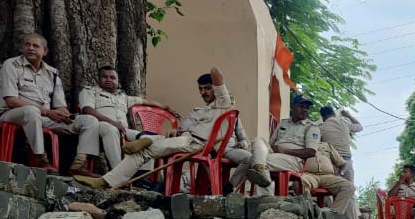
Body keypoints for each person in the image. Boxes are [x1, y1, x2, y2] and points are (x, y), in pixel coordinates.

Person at [76, 68, 278, 190]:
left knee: (149, 148)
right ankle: (108, 179)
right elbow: (181, 130)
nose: (204, 92)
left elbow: (217, 73)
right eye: (201, 89)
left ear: (217, 90)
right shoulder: (201, 110)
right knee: (145, 150)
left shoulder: (225, 103)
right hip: (188, 139)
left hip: (199, 144)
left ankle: (145, 146)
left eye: (208, 88)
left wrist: (217, 84)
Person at [0, 33, 103, 173]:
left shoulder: (51, 74)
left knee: (89, 120)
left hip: (44, 118)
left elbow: (60, 105)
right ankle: (41, 159)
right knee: (31, 111)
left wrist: (65, 115)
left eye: (35, 46)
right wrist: (47, 111)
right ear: (22, 48)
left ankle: (79, 164)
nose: (30, 48)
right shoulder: (11, 65)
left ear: (45, 52)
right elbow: (11, 101)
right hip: (13, 114)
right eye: (27, 45)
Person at [269, 95, 355, 219]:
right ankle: (309, 216)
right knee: (299, 184)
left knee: (349, 187)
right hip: (309, 174)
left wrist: (340, 173)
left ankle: (331, 217)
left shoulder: (327, 146)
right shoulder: (302, 146)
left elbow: (344, 163)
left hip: (328, 176)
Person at [78, 65, 178, 169]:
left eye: (112, 77)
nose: (108, 80)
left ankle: (142, 176)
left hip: (123, 131)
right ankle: (117, 173)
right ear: (98, 79)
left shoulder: (123, 97)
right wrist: (113, 123)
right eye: (104, 77)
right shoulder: (90, 91)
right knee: (111, 130)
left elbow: (146, 102)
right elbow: (87, 110)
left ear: (117, 81)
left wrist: (167, 107)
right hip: (100, 127)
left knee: (149, 139)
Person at [318, 106, 362, 219]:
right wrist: (347, 115)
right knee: (349, 194)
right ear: (333, 114)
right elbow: (359, 127)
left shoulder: (321, 127)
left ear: (323, 117)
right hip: (347, 163)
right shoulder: (345, 123)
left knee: (328, 191)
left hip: (331, 163)